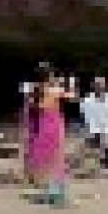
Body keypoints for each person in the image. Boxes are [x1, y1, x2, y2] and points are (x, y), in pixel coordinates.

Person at [25, 64, 77, 205]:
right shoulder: (53, 90)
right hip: (53, 125)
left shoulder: (33, 91)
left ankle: (47, 189)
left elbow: (30, 110)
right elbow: (72, 97)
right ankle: (56, 193)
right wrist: (70, 83)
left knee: (44, 158)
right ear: (49, 76)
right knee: (56, 158)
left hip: (40, 127)